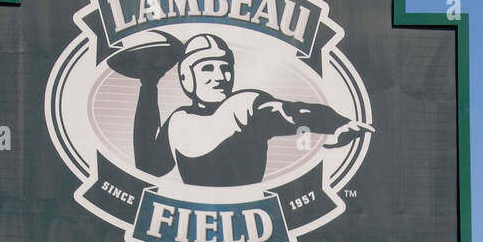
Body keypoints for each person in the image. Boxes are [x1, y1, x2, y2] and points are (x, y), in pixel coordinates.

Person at [108, 31, 373, 185]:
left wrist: (337, 122)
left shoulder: (245, 105)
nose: (220, 76)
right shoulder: (178, 121)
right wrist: (149, 83)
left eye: (225, 68)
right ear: (187, 78)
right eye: (208, 68)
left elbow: (293, 112)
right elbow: (147, 167)